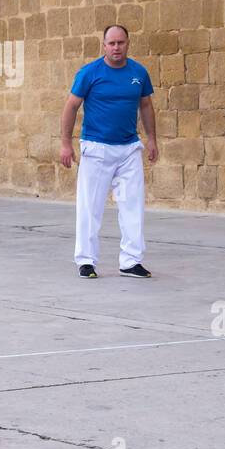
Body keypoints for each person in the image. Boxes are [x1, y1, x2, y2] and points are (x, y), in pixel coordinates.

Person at [60, 25, 158, 279]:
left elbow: (146, 105)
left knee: (133, 206)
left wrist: (152, 140)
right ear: (104, 45)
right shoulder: (90, 73)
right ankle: (86, 261)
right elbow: (71, 106)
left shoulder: (138, 72)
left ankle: (131, 261)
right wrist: (66, 144)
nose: (116, 47)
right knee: (90, 207)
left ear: (128, 44)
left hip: (129, 149)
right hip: (96, 148)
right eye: (111, 43)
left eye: (121, 43)